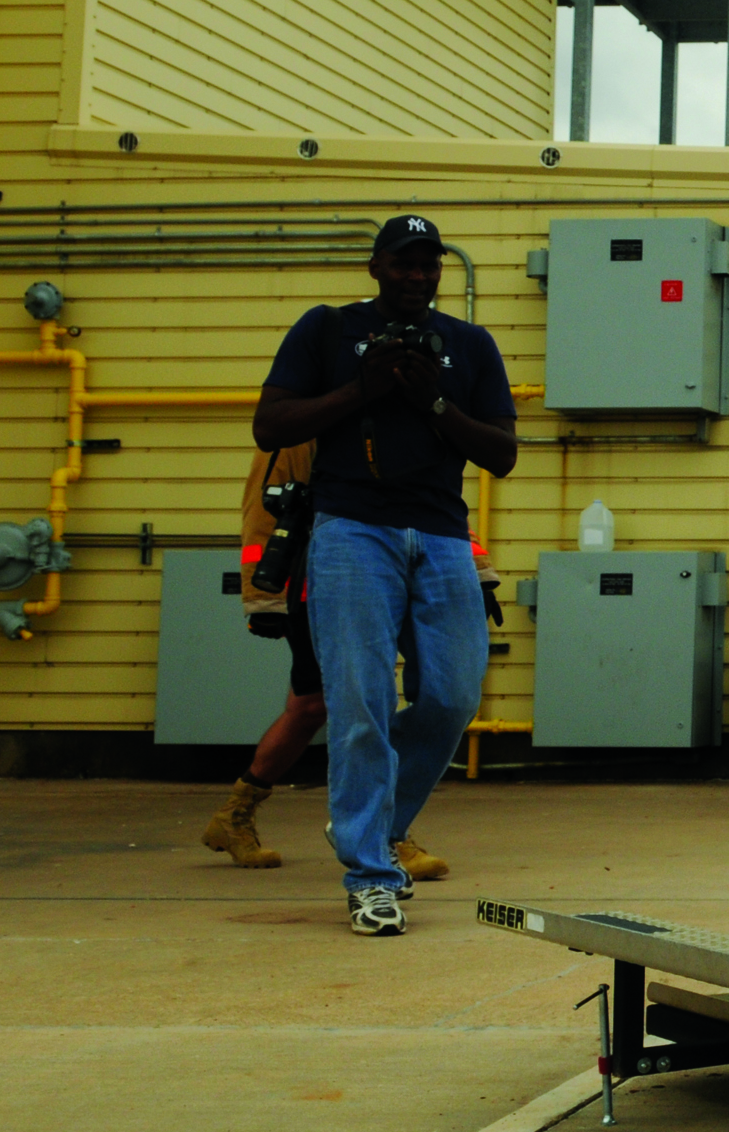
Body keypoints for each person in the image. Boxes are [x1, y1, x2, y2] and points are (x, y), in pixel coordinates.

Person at [253, 216, 516, 938]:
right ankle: (371, 874)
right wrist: (362, 391)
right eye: (402, 262)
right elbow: (269, 425)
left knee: (455, 693)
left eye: (428, 264)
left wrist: (434, 400)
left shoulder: (468, 345)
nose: (416, 275)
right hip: (351, 529)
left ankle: (364, 819)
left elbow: (502, 452)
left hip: (439, 531)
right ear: (376, 266)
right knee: (360, 697)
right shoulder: (327, 330)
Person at [201, 442, 326, 870]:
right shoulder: (299, 431)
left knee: (311, 706)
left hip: (372, 582)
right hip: (312, 588)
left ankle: (234, 816)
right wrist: (262, 597)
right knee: (342, 700)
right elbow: (264, 510)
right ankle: (387, 833)